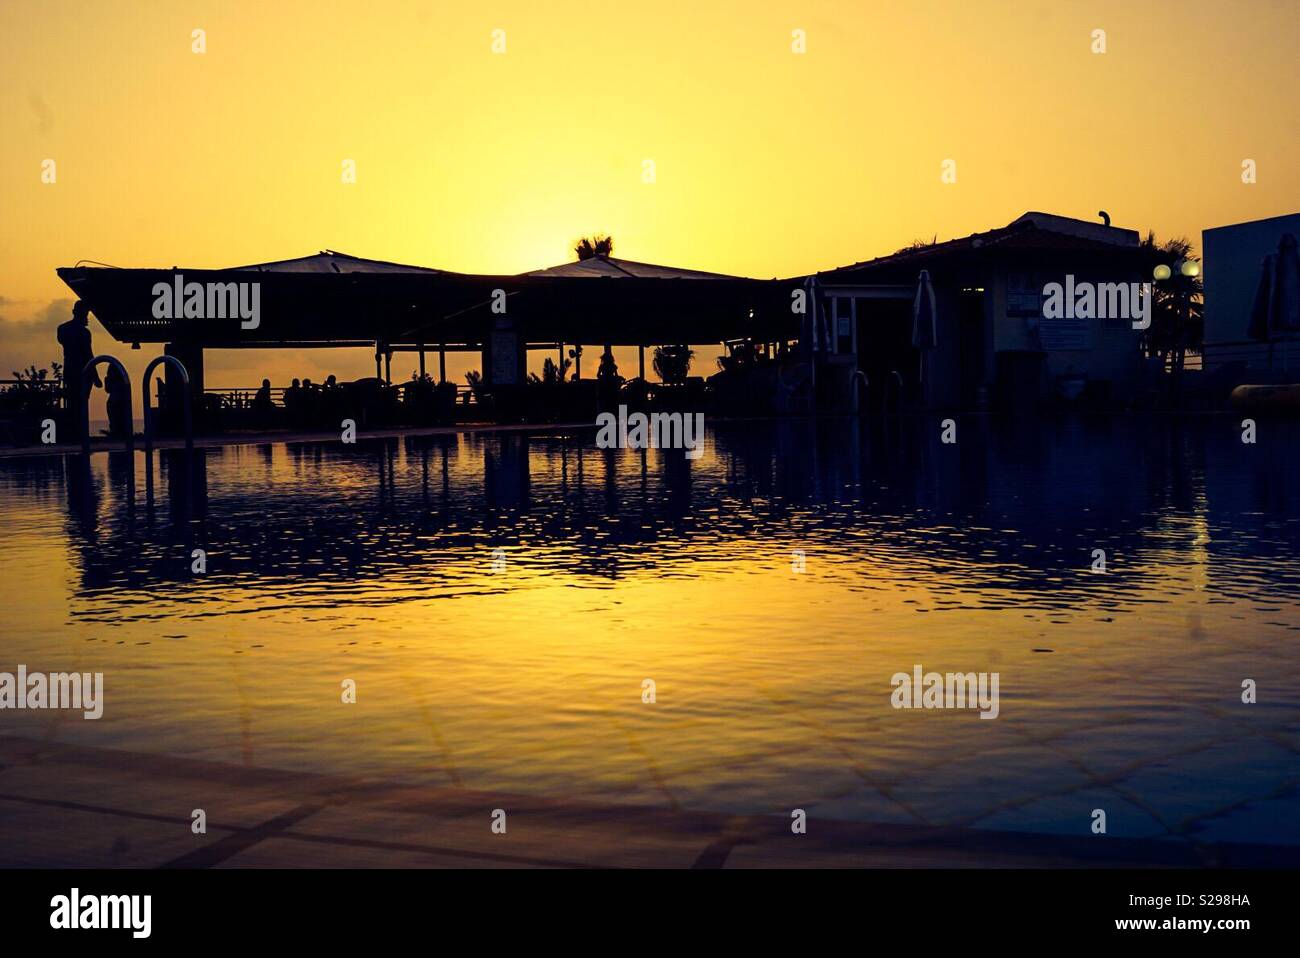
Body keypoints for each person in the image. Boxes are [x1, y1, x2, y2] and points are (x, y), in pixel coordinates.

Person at [56, 301, 100, 439]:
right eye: (85, 315)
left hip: (70, 371)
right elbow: (88, 354)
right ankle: (79, 433)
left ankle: (74, 433)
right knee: (81, 403)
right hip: (82, 372)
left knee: (73, 403)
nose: (87, 318)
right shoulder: (84, 332)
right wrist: (95, 376)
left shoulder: (62, 329)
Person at [103, 363, 131, 439]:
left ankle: (117, 430)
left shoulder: (121, 381)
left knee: (117, 417)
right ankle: (116, 430)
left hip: (116, 401)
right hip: (114, 401)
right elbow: (107, 389)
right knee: (115, 417)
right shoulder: (121, 381)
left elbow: (107, 389)